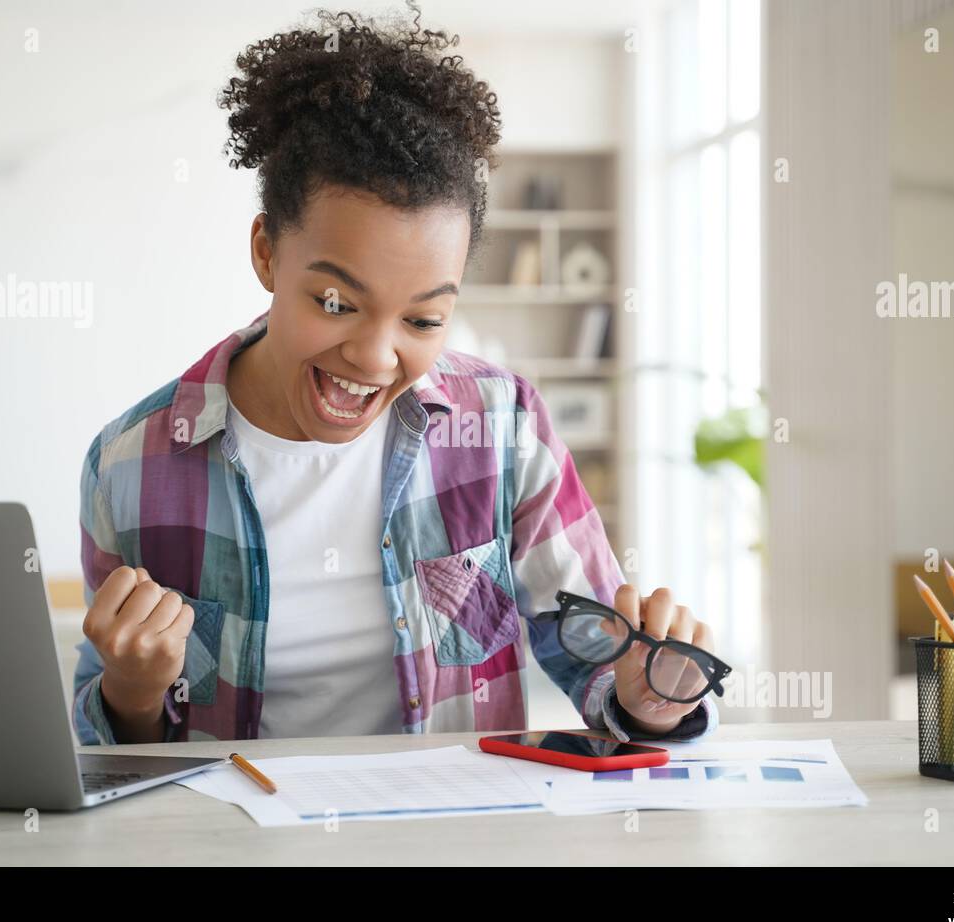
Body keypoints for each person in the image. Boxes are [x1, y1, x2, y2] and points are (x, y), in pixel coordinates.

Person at [73, 3, 719, 746]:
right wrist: (129, 694)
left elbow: (605, 668)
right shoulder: (132, 463)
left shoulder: (502, 430)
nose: (376, 357)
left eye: (422, 320)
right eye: (337, 301)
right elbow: (105, 758)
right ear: (265, 254)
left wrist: (649, 698)